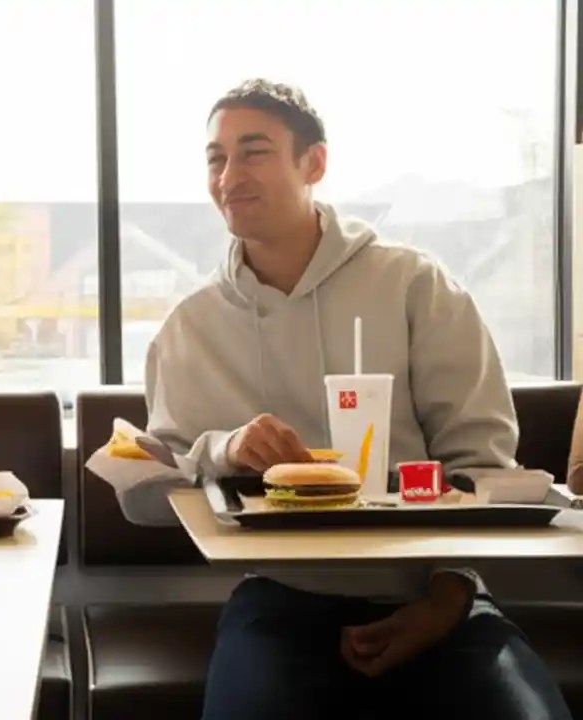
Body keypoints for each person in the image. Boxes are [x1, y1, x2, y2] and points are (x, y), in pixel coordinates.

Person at [144, 79, 570, 719]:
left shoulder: (415, 286)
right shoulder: (190, 326)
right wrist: (226, 447)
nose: (229, 175)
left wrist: (446, 600)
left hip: (436, 589)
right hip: (280, 594)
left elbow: (483, 461)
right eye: (215, 157)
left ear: (313, 163)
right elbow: (164, 477)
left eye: (253, 151)